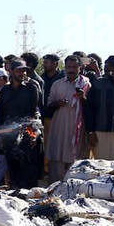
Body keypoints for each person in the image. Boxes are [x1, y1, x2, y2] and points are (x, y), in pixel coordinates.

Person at [44, 53, 90, 182]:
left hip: (77, 126)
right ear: (64, 67)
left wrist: (83, 98)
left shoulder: (85, 84)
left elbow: (92, 106)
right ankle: (55, 186)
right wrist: (57, 103)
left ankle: (73, 185)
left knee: (75, 157)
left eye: (74, 67)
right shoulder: (57, 84)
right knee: (57, 155)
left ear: (79, 68)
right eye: (69, 67)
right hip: (60, 124)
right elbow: (49, 105)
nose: (71, 69)